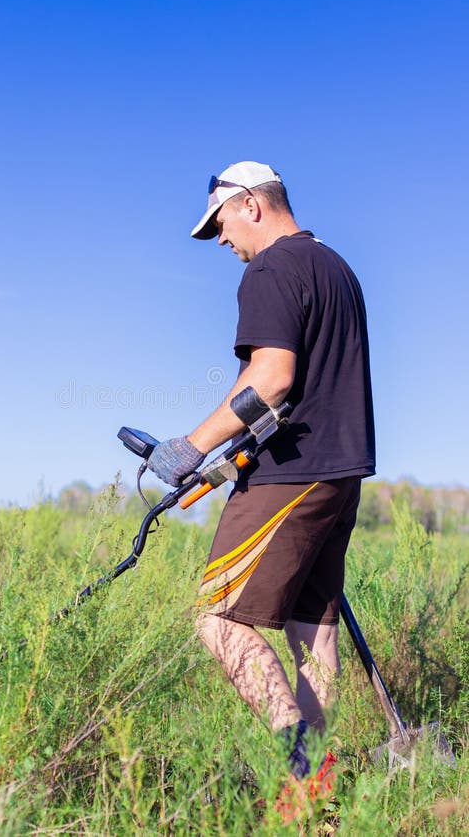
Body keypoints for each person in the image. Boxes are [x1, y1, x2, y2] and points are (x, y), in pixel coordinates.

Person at [147, 160, 375, 806]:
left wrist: (190, 447)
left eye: (220, 223)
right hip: (341, 472)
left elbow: (271, 377)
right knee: (313, 632)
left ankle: (298, 765)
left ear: (251, 203)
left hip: (290, 474)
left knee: (216, 620)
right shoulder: (336, 268)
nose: (221, 239)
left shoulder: (272, 268)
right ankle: (317, 794)